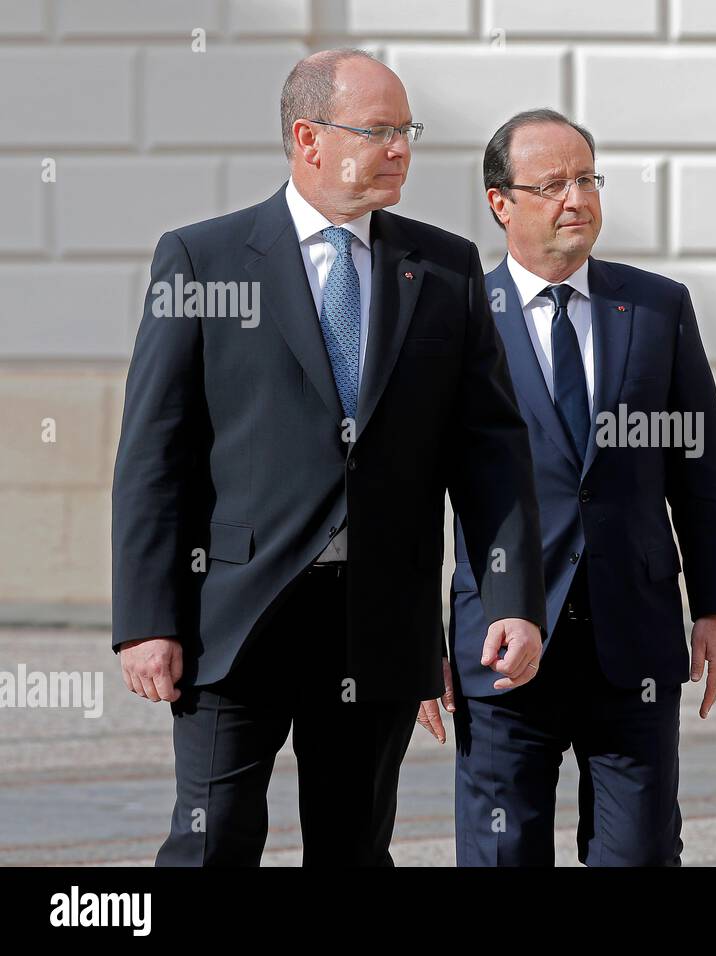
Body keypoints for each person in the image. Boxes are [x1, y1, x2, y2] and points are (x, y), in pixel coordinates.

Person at [111, 49, 546, 865]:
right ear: (308, 138)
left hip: (377, 620)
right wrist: (146, 621)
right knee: (211, 843)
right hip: (233, 618)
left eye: (406, 130)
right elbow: (153, 456)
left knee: (354, 848)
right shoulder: (203, 260)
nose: (400, 149)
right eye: (378, 130)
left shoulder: (444, 267)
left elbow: (489, 452)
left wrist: (512, 598)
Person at [426, 109, 716, 865]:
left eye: (587, 179)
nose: (577, 199)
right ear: (501, 202)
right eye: (553, 184)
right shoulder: (457, 314)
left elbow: (699, 469)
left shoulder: (659, 308)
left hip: (632, 639)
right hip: (503, 645)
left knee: (639, 853)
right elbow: (413, 494)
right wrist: (417, 644)